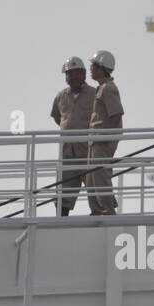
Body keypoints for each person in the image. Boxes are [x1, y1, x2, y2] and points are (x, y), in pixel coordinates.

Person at [50, 56, 97, 216]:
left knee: (96, 188)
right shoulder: (60, 96)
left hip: (88, 150)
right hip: (68, 152)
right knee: (63, 192)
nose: (75, 77)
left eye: (78, 73)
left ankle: (100, 218)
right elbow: (58, 117)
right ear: (66, 77)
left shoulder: (95, 94)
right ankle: (60, 222)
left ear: (84, 74)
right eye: (71, 73)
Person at [86, 49, 123, 216]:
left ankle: (108, 210)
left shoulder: (109, 88)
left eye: (93, 66)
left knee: (101, 176)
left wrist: (108, 140)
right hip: (96, 139)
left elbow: (116, 115)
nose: (90, 69)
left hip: (102, 140)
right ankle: (96, 209)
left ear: (102, 68)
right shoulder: (101, 88)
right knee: (91, 177)